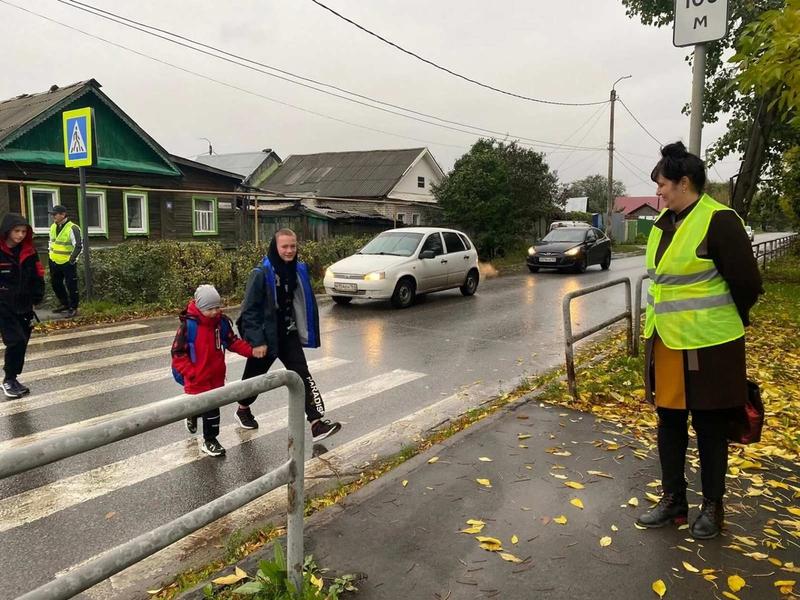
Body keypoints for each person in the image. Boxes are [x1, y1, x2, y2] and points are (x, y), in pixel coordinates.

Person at [636, 142, 762, 539]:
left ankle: (713, 507)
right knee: (669, 422)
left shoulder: (719, 220)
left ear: (684, 182)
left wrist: (730, 317)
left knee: (709, 426)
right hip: (667, 341)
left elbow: (748, 283)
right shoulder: (663, 225)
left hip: (710, 344)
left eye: (662, 185)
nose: (657, 192)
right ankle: (673, 501)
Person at [237, 229, 342, 442]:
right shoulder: (261, 273)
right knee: (253, 380)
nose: (289, 250)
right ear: (275, 247)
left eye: (293, 246)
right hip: (266, 337)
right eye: (284, 246)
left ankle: (316, 424)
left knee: (302, 376)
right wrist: (257, 341)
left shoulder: (298, 269)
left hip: (288, 333)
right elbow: (249, 310)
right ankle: (242, 409)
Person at [171, 284, 253, 457]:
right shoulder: (188, 326)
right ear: (200, 308)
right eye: (211, 309)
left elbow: (232, 341)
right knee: (211, 410)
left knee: (211, 408)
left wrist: (251, 352)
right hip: (197, 378)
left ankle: (195, 415)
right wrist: (191, 373)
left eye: (217, 307)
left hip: (215, 376)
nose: (215, 311)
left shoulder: (220, 323)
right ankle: (210, 441)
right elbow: (177, 353)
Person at [0, 213, 45, 399]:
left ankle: (13, 377)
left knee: (22, 343)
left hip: (25, 305)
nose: (20, 235)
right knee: (16, 340)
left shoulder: (29, 251)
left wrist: (37, 297)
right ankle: (8, 380)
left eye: (23, 231)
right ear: (7, 231)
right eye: (16, 231)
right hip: (3, 305)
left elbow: (38, 274)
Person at [48, 204, 82, 318]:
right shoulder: (53, 227)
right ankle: (65, 304)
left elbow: (78, 246)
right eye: (52, 214)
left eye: (55, 214)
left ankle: (74, 307)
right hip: (54, 261)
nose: (53, 216)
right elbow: (52, 242)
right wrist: (50, 255)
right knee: (55, 284)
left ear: (63, 214)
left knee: (71, 285)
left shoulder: (73, 228)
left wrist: (72, 259)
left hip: (67, 262)